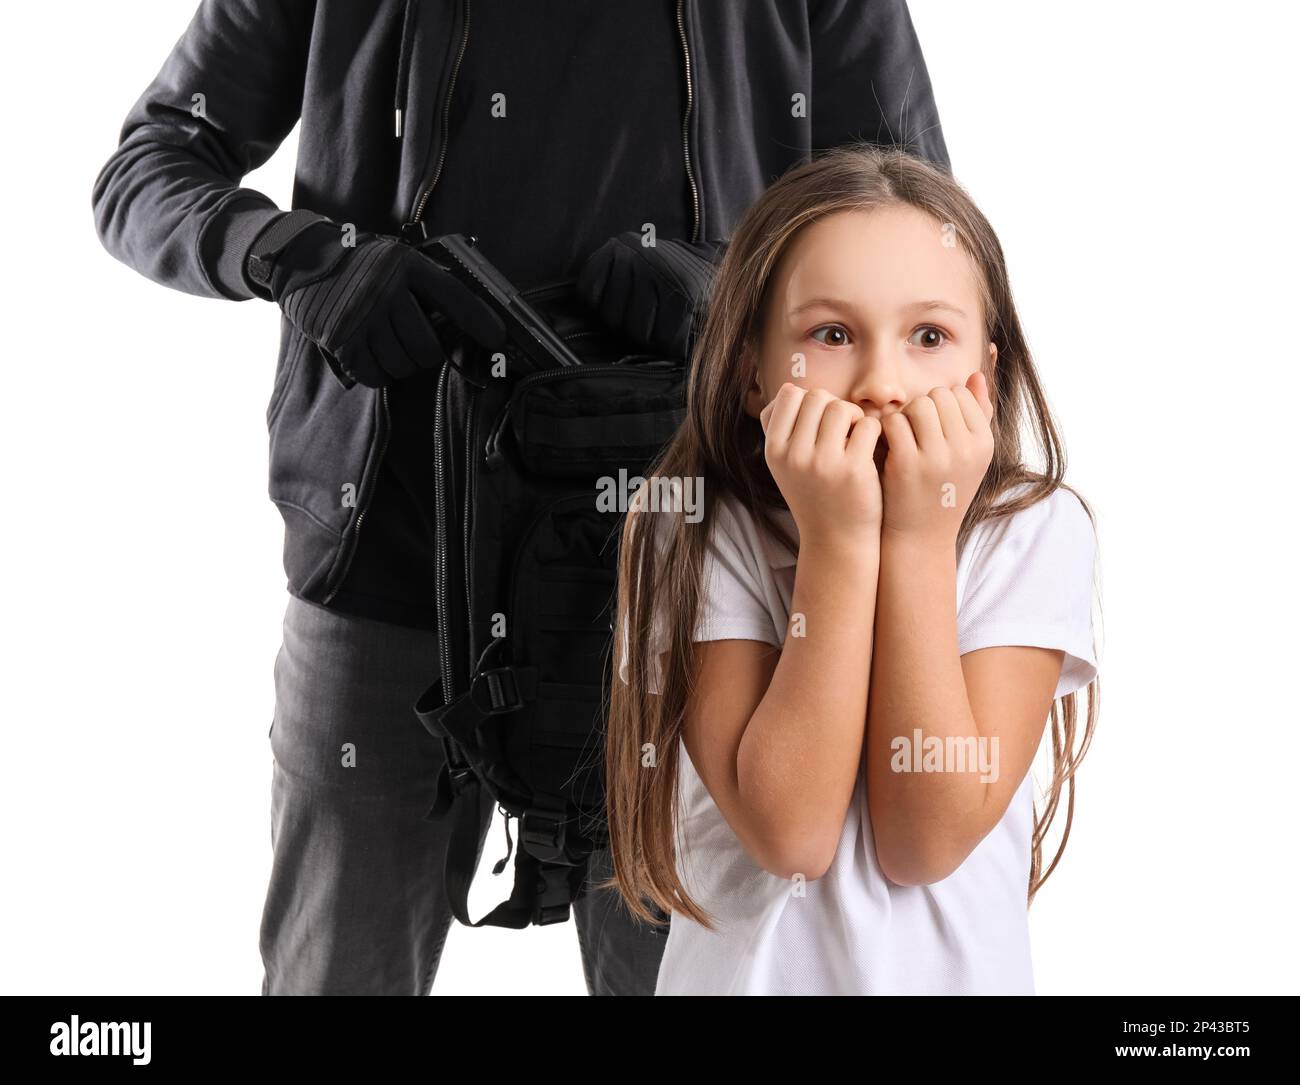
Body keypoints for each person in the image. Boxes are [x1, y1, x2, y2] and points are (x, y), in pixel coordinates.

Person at [91, 0, 951, 995]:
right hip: (386, 562)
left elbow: (917, 233)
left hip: (698, 587)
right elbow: (146, 169)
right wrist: (295, 257)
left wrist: (741, 298)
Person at [607, 143, 1101, 995]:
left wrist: (914, 542)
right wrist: (839, 544)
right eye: (831, 334)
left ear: (984, 380)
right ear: (754, 375)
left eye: (929, 336)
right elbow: (792, 834)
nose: (883, 382)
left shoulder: (1031, 533)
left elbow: (925, 839)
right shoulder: (693, 527)